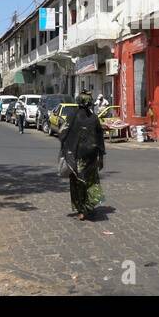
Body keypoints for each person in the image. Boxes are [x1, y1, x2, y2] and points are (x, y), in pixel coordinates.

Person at [59, 90, 106, 220]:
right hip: (91, 158)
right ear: (90, 103)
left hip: (75, 157)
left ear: (78, 102)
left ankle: (81, 210)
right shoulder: (94, 118)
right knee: (91, 182)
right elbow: (100, 139)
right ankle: (88, 207)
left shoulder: (72, 116)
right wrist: (101, 158)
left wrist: (66, 146)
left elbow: (62, 133)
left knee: (77, 183)